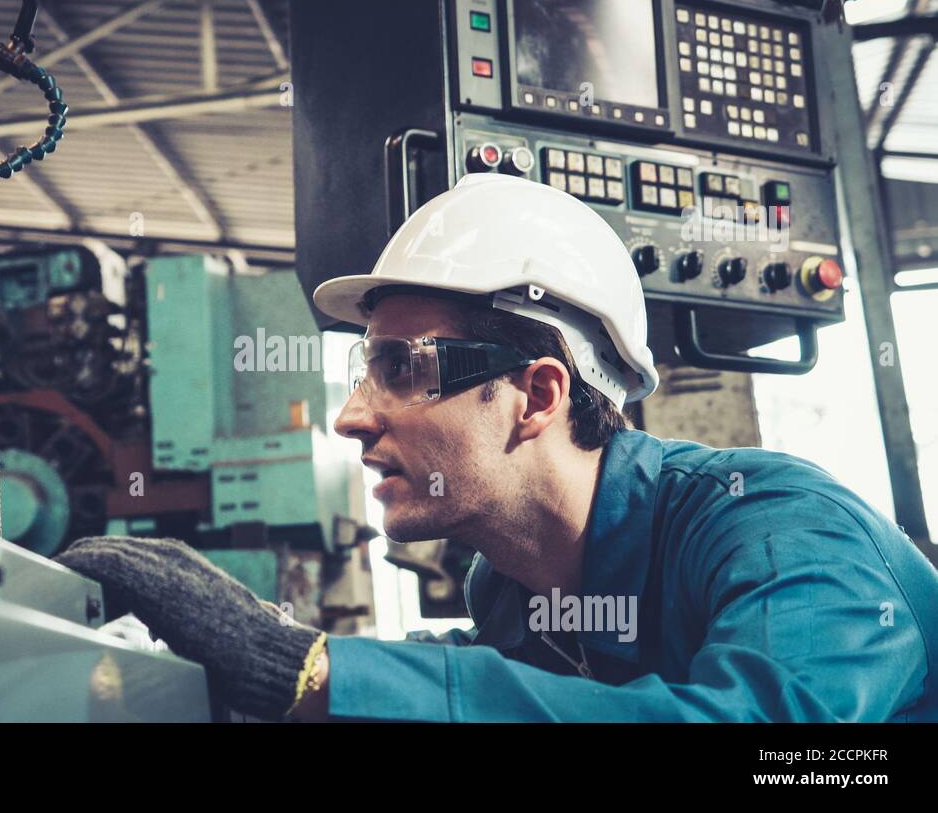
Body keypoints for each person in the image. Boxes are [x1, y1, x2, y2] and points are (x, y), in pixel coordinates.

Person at [56, 174, 938, 722]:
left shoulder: (780, 532)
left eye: (402, 368)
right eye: (365, 371)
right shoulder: (515, 594)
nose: (352, 417)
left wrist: (308, 672)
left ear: (538, 395)